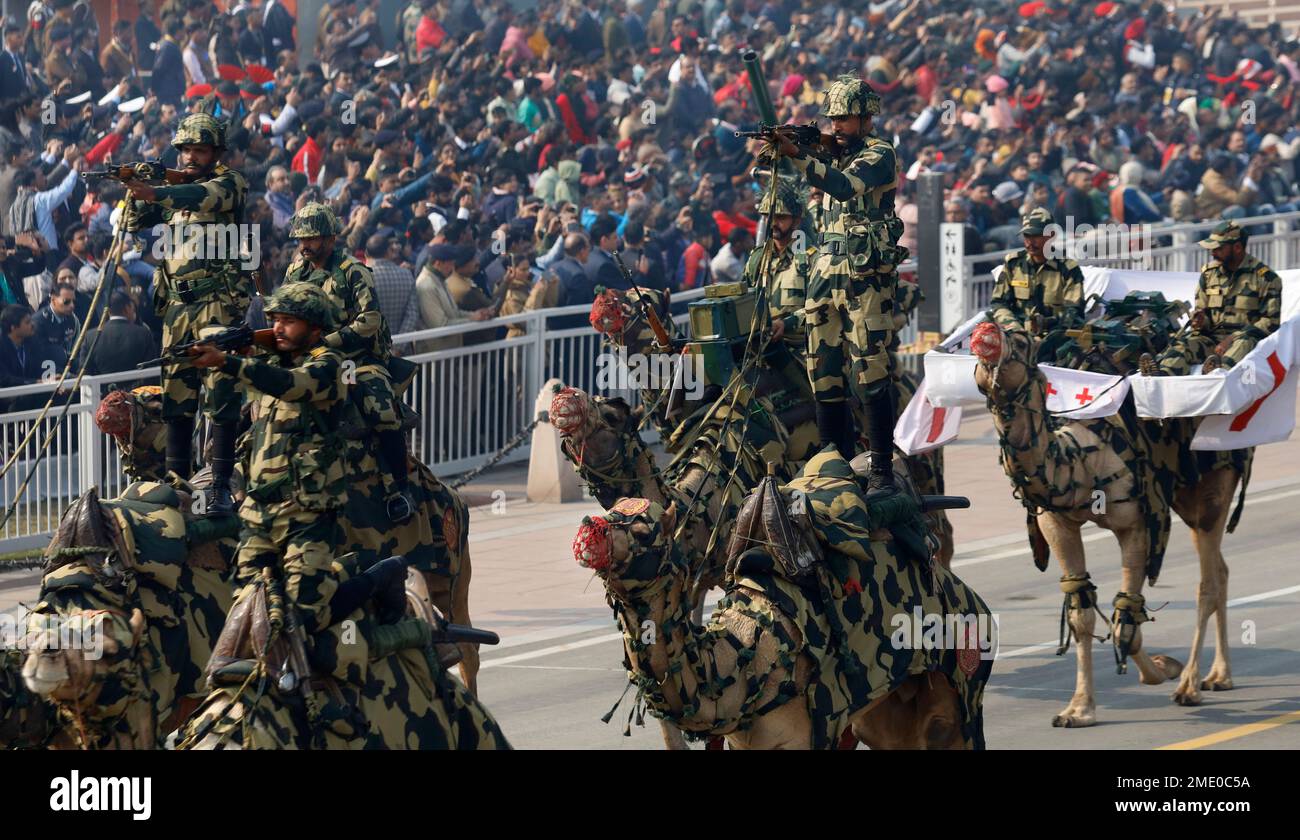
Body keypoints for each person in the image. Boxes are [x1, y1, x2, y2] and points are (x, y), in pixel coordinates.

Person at [186, 281, 408, 669]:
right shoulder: (268, 362)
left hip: (308, 513)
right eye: (274, 320)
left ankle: (381, 575)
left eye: (289, 321)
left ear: (315, 326)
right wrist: (221, 358)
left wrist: (229, 361)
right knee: (246, 609)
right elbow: (223, 403)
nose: (278, 329)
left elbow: (293, 386)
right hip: (259, 514)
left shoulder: (328, 365)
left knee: (306, 615)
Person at [774, 75, 904, 495]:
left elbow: (844, 187)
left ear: (867, 118)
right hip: (825, 275)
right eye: (833, 119)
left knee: (870, 369)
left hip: (864, 280)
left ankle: (881, 466)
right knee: (823, 373)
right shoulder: (833, 153)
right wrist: (785, 148)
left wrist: (799, 154)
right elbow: (802, 174)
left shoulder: (880, 153)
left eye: (846, 119)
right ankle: (834, 462)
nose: (837, 127)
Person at [121, 113, 250, 515]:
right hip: (177, 307)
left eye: (200, 150)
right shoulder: (171, 196)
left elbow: (201, 196)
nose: (192, 157)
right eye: (186, 151)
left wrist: (157, 191)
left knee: (221, 397)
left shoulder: (229, 183)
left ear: (215, 153)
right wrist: (132, 189)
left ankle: (218, 486)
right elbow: (130, 222)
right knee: (178, 400)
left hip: (217, 304)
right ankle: (177, 485)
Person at [282, 202, 415, 523]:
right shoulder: (295, 272)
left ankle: (400, 487)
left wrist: (327, 342)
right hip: (307, 361)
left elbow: (369, 319)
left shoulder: (353, 271)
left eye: (311, 239)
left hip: (353, 359)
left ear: (330, 238)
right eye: (300, 240)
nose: (304, 245)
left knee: (380, 410)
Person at [1142, 221, 1283, 376]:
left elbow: (1270, 322)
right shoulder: (1209, 274)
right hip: (1211, 339)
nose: (1212, 253)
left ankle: (1217, 371)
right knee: (1183, 343)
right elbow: (1203, 312)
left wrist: (1231, 338)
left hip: (1243, 338)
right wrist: (1201, 320)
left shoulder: (1265, 278)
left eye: (1218, 248)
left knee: (1243, 343)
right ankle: (1161, 375)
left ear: (1237, 248)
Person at [987, 207, 1086, 337]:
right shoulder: (1013, 263)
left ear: (1051, 235)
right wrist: (1014, 327)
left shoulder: (1068, 268)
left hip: (1054, 335)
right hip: (1016, 334)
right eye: (1027, 235)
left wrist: (1047, 324)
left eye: (1036, 236)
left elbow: (1074, 311)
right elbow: (999, 303)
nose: (1030, 242)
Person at [742, 180, 812, 352]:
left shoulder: (812, 259)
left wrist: (786, 324)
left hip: (800, 350)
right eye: (769, 216)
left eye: (780, 217)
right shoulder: (757, 258)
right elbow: (744, 297)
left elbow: (822, 305)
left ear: (796, 220)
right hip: (761, 348)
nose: (773, 223)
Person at [81, 290, 156, 375]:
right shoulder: (143, 333)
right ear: (127, 308)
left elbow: (84, 372)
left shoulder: (90, 336)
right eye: (133, 308)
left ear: (108, 311)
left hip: (102, 387)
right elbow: (151, 370)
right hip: (137, 387)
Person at [33, 281, 79, 368]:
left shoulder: (71, 319)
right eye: (66, 302)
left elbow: (69, 350)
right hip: (45, 368)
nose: (72, 306)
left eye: (74, 301)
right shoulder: (39, 322)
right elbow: (38, 356)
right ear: (53, 300)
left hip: (65, 364)